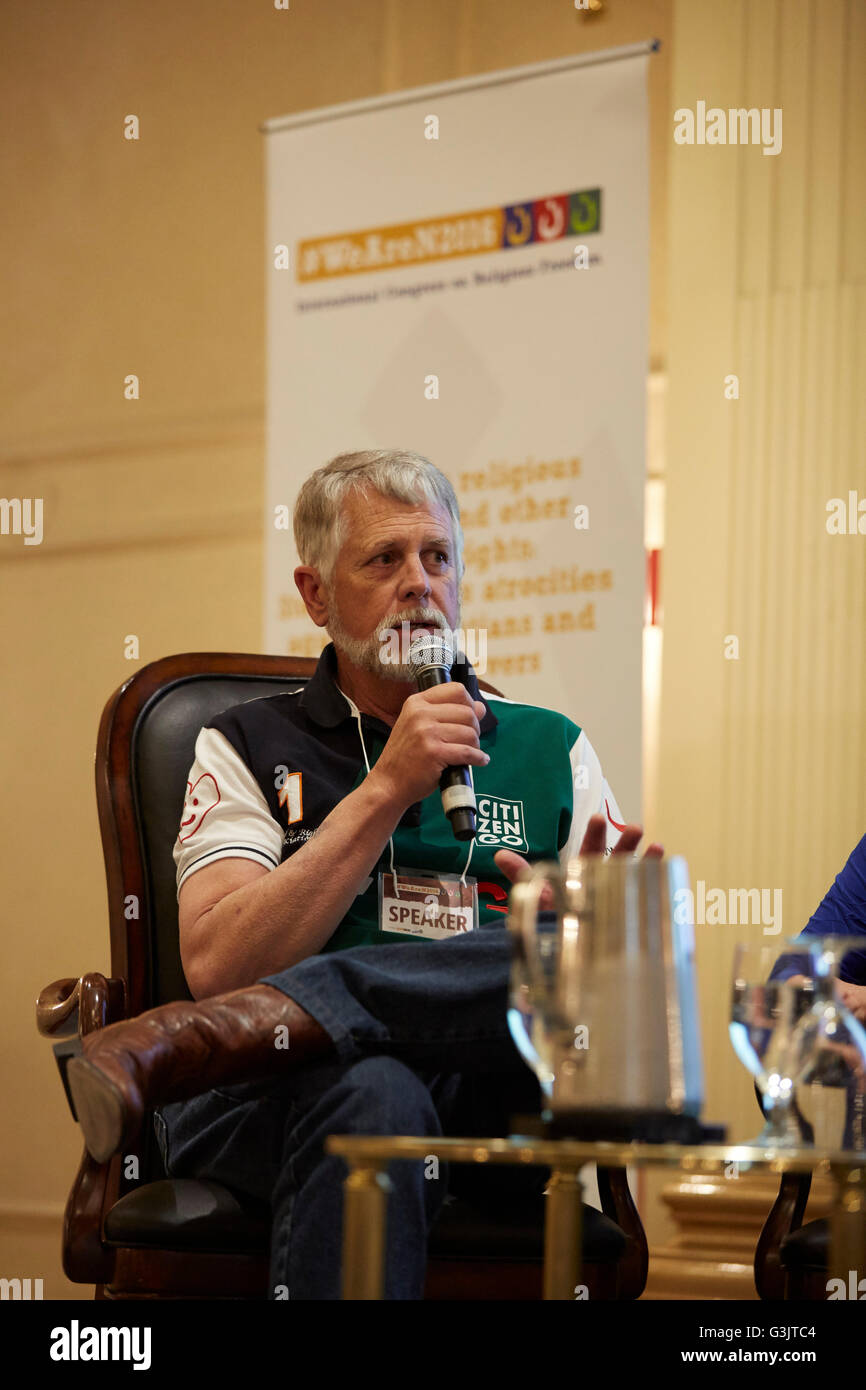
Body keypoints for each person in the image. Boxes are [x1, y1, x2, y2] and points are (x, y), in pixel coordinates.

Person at [67, 449, 661, 1299]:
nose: (420, 583)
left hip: (488, 1097)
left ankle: (174, 1045)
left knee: (571, 948)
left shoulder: (549, 747)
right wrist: (387, 786)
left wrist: (591, 946)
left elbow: (614, 1041)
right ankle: (289, 1031)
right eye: (385, 560)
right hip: (269, 1093)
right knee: (374, 1092)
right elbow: (222, 965)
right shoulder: (245, 743)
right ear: (316, 595)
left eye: (438, 557)